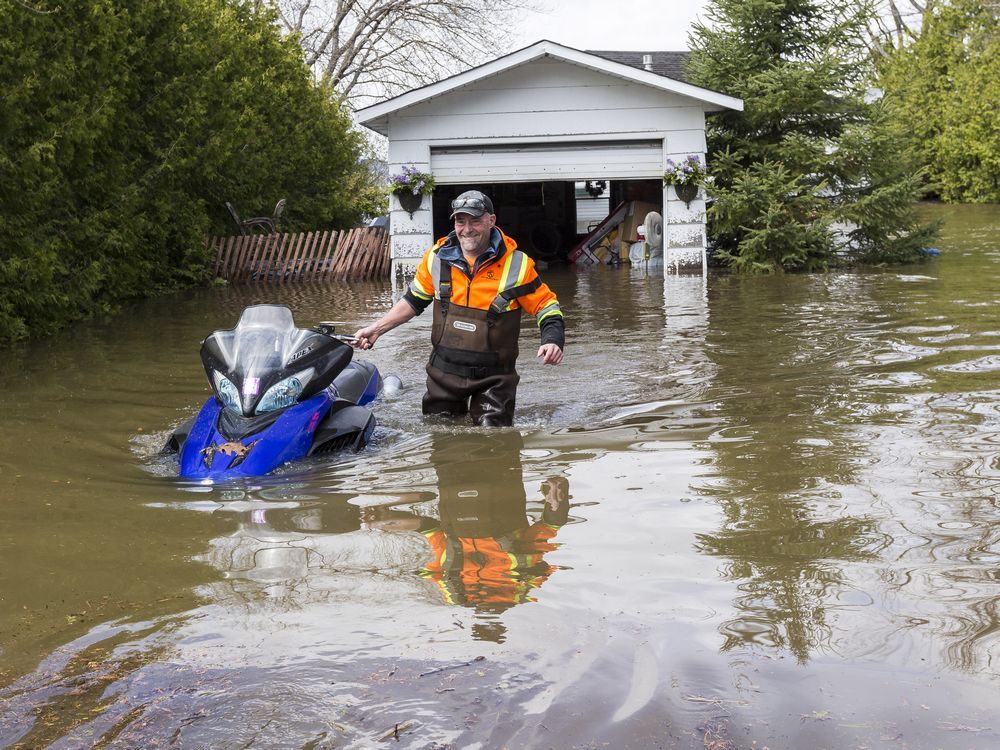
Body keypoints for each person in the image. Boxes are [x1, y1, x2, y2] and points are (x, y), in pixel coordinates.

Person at [352, 190, 564, 426]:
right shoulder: (435, 257)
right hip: (443, 374)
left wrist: (552, 339)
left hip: (494, 379)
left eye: (475, 220)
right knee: (440, 436)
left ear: (491, 221)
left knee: (493, 442)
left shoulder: (518, 265)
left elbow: (547, 306)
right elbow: (413, 300)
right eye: (460, 221)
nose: (467, 229)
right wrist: (376, 330)